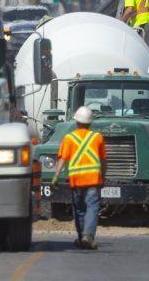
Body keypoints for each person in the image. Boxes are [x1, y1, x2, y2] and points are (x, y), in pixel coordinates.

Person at [51, 106, 106, 250]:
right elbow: (103, 160)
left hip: (76, 180)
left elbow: (62, 159)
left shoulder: (69, 138)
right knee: (92, 207)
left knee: (79, 209)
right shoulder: (97, 137)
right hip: (93, 179)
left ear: (76, 122)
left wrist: (56, 177)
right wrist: (104, 177)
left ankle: (82, 237)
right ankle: (88, 236)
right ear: (90, 123)